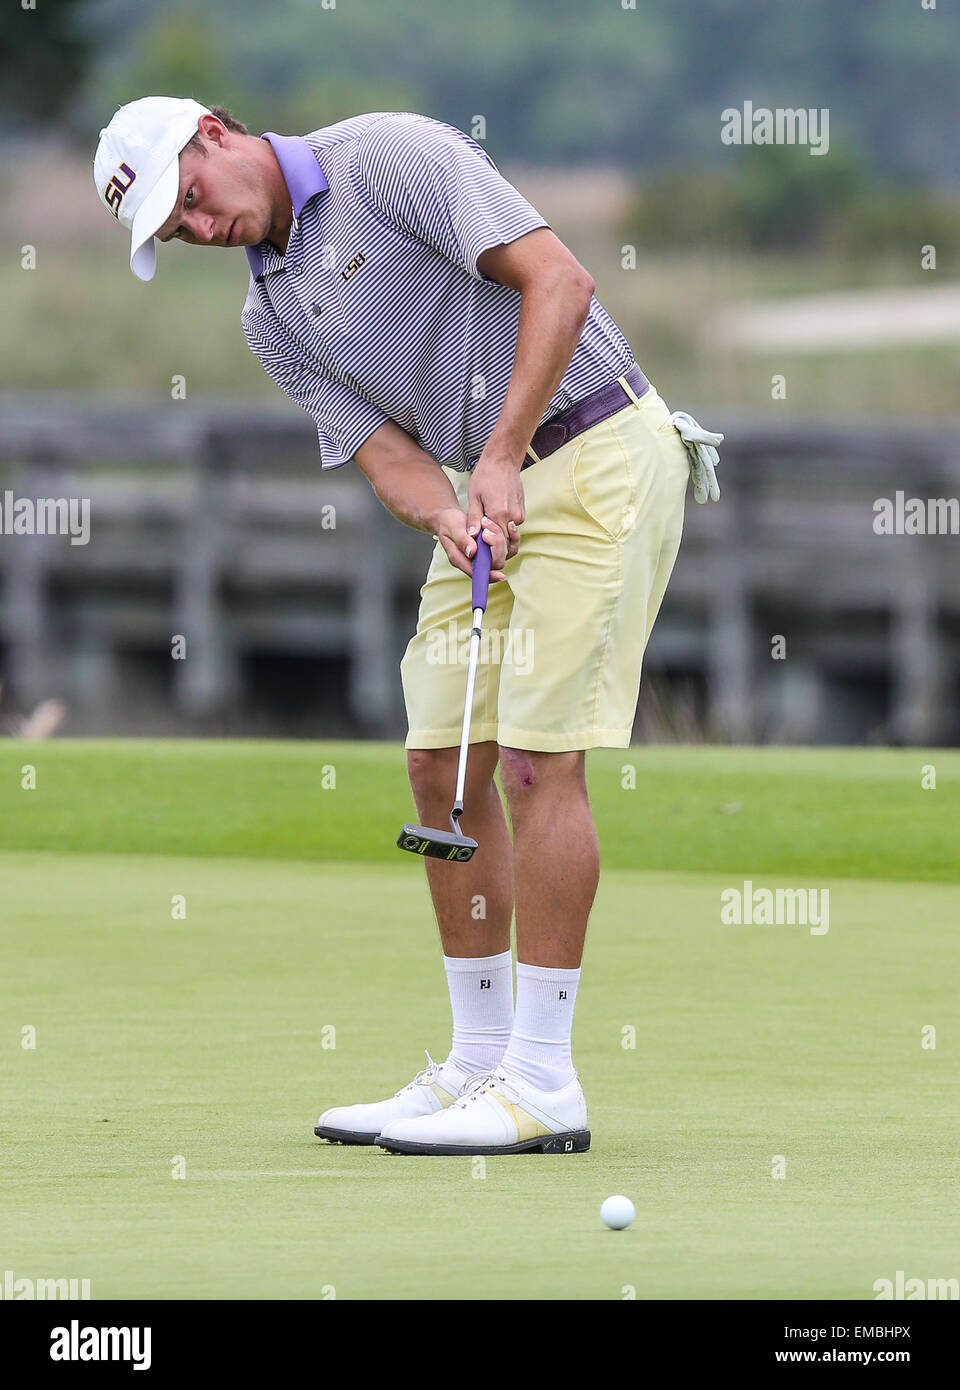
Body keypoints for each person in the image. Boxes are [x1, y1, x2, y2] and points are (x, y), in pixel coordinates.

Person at [94, 96, 721, 1156]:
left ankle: (544, 1080)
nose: (200, 229)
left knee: (532, 764)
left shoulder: (385, 157)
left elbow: (560, 282)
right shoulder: (268, 318)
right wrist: (450, 509)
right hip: (490, 488)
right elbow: (385, 451)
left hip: (599, 446)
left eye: (191, 199)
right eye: (175, 231)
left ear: (216, 132)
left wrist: (499, 455)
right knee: (443, 764)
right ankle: (478, 1064)